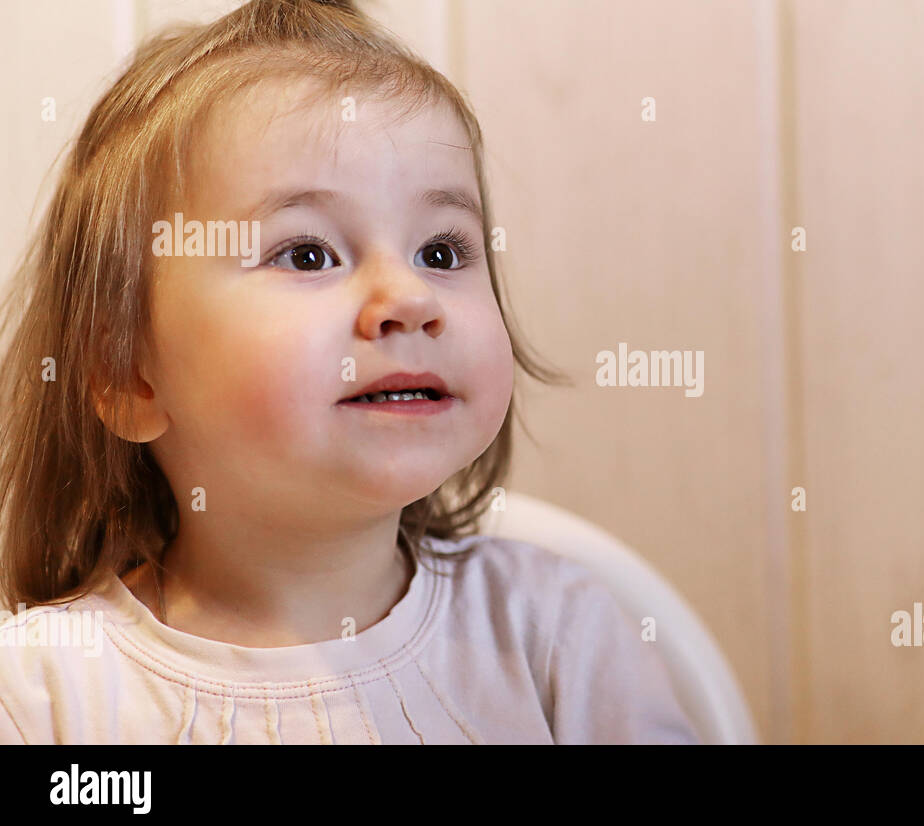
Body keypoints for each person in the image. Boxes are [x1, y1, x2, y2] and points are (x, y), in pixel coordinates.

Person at [0, 0, 698, 744]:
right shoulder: (45, 696)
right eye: (308, 254)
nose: (411, 298)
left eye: (441, 252)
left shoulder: (558, 638)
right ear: (129, 376)